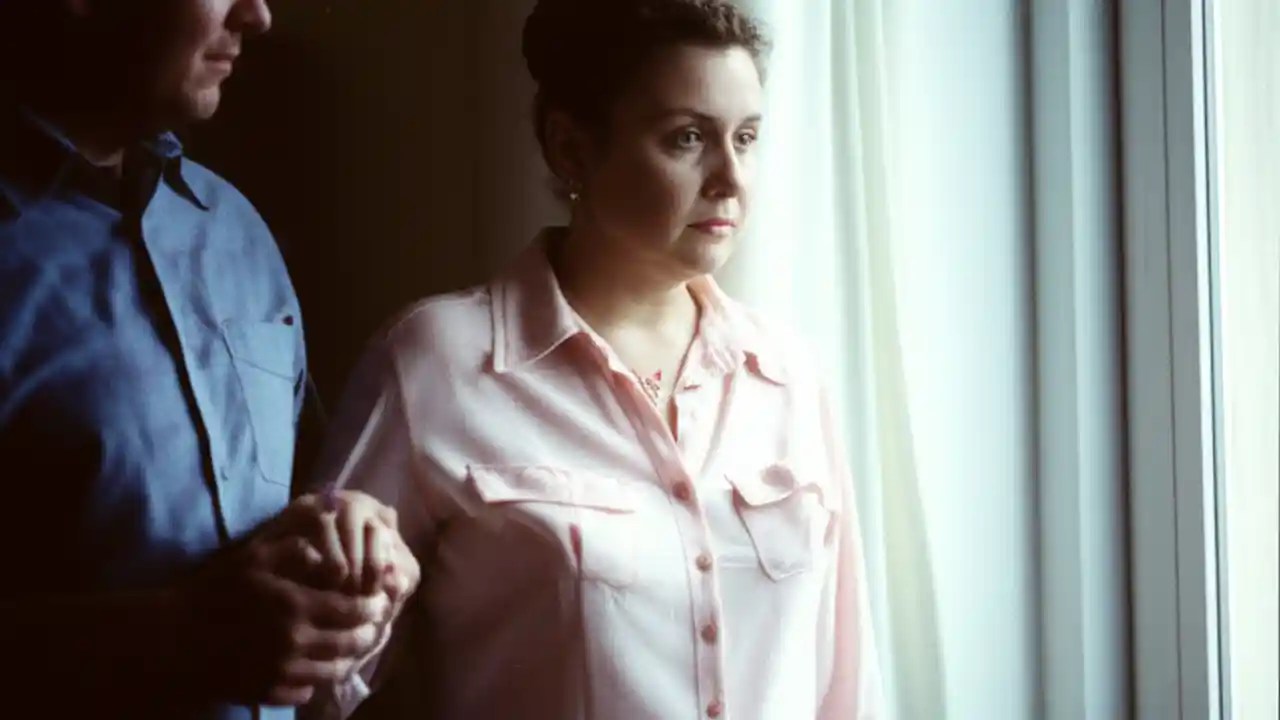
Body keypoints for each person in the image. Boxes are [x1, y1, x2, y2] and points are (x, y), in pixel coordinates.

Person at [315, 0, 882, 718]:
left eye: (746, 137)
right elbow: (313, 679)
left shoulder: (789, 376)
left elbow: (848, 684)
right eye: (686, 138)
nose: (731, 178)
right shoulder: (436, 362)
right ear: (571, 149)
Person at [0, 1, 419, 717]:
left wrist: (355, 530)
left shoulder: (235, 229)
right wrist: (175, 635)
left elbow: (300, 491)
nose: (257, 15)